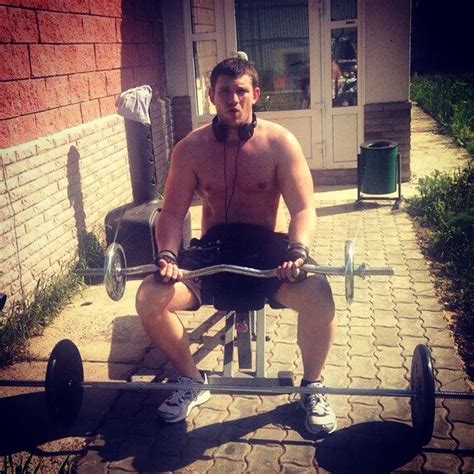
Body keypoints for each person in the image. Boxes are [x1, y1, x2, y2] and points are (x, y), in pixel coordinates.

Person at [135, 57, 336, 435]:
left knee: (319, 293)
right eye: (224, 91)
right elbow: (172, 212)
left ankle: (312, 387)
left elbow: (304, 208)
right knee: (149, 296)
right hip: (213, 253)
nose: (233, 99)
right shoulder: (190, 149)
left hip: (265, 252)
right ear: (211, 96)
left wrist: (298, 250)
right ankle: (192, 380)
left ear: (256, 94)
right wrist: (167, 254)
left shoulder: (280, 143)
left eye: (241, 90)